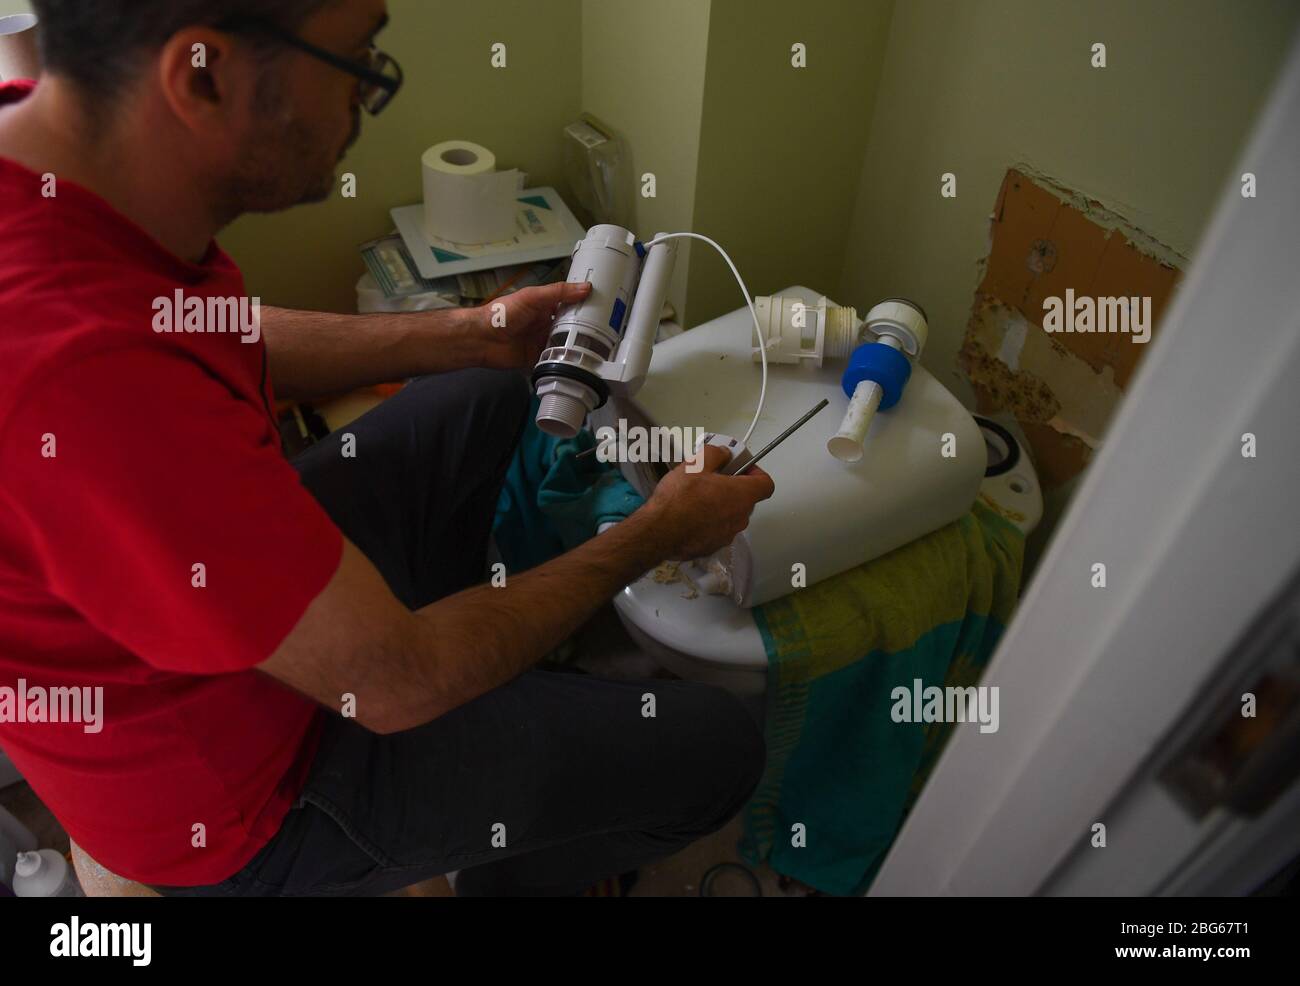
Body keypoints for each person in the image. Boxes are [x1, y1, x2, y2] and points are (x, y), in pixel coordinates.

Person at [0, 0, 773, 896]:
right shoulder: (89, 387)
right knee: (716, 751)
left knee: (487, 398)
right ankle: (485, 865)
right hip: (244, 794)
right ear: (200, 75)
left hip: (223, 618)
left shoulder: (43, 147)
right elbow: (398, 681)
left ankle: (474, 707)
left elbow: (201, 326)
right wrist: (652, 533)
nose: (365, 101)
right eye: (358, 62)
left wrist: (468, 333)